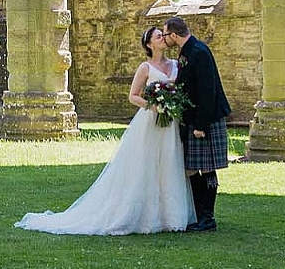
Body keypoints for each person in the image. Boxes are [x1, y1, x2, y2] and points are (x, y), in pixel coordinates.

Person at [15, 26, 196, 235]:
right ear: (149, 44)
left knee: (169, 162)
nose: (163, 39)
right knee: (146, 164)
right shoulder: (145, 68)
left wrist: (171, 103)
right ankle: (145, 217)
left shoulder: (175, 65)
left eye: (163, 36)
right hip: (150, 121)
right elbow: (133, 96)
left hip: (169, 123)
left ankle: (170, 216)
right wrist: (154, 105)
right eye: (158, 36)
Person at [164, 16, 231, 232]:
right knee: (192, 168)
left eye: (166, 35)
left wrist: (201, 125)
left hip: (206, 119)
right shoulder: (186, 51)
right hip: (193, 119)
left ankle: (208, 218)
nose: (165, 39)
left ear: (174, 35)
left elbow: (207, 91)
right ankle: (199, 214)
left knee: (207, 167)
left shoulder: (199, 52)